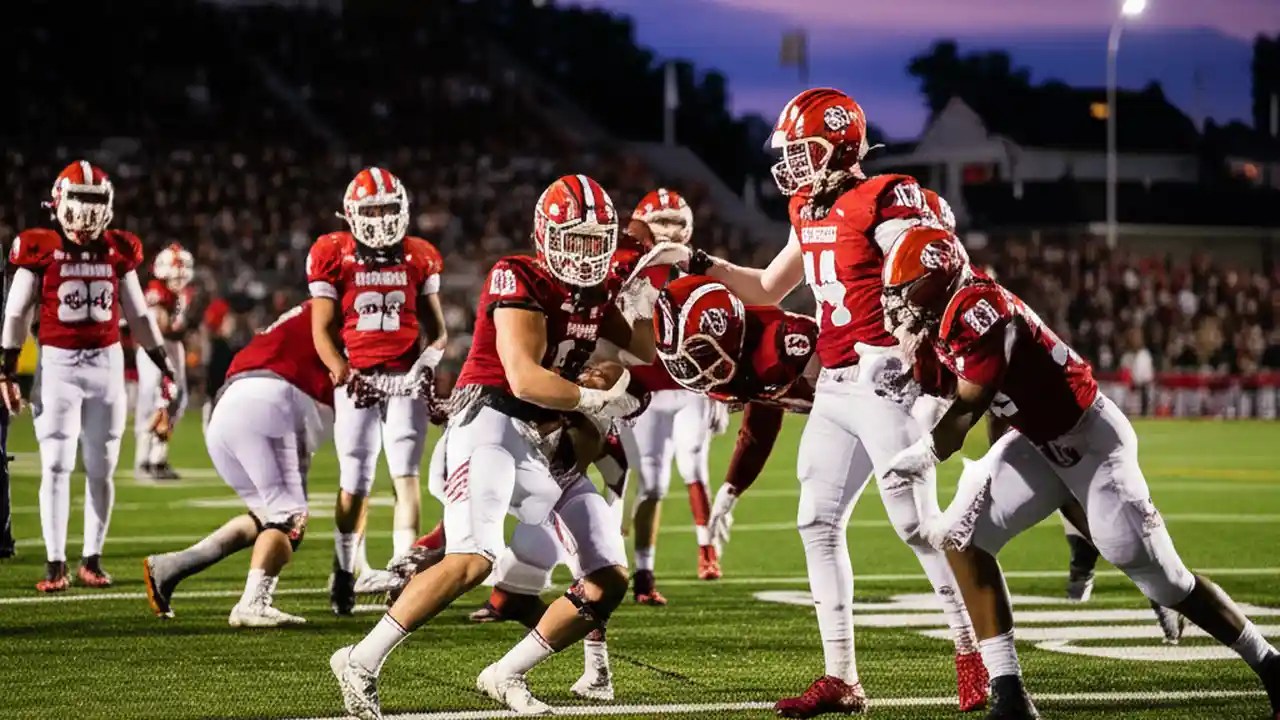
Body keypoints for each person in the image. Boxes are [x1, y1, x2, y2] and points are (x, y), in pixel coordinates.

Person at [879, 228, 1280, 720]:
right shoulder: (947, 315)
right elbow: (948, 391)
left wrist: (924, 452)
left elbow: (968, 406)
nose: (896, 301)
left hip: (1090, 438)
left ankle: (1270, 664)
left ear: (935, 280)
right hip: (1037, 439)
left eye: (904, 288)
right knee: (961, 538)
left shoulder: (977, 308)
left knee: (1168, 581)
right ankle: (1010, 696)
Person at [677, 88, 985, 715]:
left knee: (915, 525)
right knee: (817, 522)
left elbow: (940, 271)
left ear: (841, 146)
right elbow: (768, 285)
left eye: (803, 149)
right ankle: (842, 677)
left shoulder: (883, 196)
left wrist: (911, 344)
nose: (791, 163)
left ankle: (972, 649)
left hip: (882, 380)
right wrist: (698, 261)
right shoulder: (805, 207)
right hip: (836, 385)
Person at [330, 175, 650, 719]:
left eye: (597, 242)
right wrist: (598, 401)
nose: (586, 254)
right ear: (544, 235)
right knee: (473, 558)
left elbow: (644, 350)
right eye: (574, 240)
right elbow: (524, 379)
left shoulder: (599, 290)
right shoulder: (517, 273)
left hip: (550, 438)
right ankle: (359, 660)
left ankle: (506, 673)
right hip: (493, 424)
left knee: (608, 579)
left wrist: (645, 298)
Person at [0, 160, 178, 592]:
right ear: (59, 201)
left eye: (95, 202)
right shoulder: (38, 246)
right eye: (80, 201)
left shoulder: (119, 248)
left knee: (102, 468)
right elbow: (16, 312)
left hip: (106, 363)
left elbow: (137, 315)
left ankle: (91, 559)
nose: (86, 213)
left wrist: (164, 367)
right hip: (58, 364)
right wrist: (6, 370)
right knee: (56, 465)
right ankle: (55, 563)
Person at [307, 167, 447, 613]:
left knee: (406, 478)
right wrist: (341, 371)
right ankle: (345, 569)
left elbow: (438, 331)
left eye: (389, 209)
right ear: (351, 214)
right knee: (356, 480)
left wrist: (425, 366)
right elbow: (322, 329)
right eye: (373, 210)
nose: (383, 219)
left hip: (404, 378)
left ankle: (403, 576)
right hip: (359, 379)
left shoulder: (419, 256)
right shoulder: (334, 253)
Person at [142, 301, 334, 626]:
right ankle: (253, 603)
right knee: (289, 518)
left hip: (228, 407)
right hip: (270, 402)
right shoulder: (350, 309)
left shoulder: (311, 309)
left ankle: (172, 567)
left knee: (267, 514)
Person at [622, 188, 726, 603]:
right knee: (651, 486)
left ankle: (707, 551)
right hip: (645, 390)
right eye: (660, 221)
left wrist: (718, 392)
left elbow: (720, 335)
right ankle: (643, 573)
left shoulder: (701, 272)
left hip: (690, 388)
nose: (669, 230)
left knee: (695, 466)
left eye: (676, 222)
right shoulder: (627, 269)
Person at [134, 243, 195, 480]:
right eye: (174, 271)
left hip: (172, 347)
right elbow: (159, 326)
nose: (179, 277)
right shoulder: (156, 291)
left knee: (177, 402)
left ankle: (158, 458)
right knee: (155, 401)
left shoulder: (181, 294)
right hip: (155, 350)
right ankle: (143, 459)